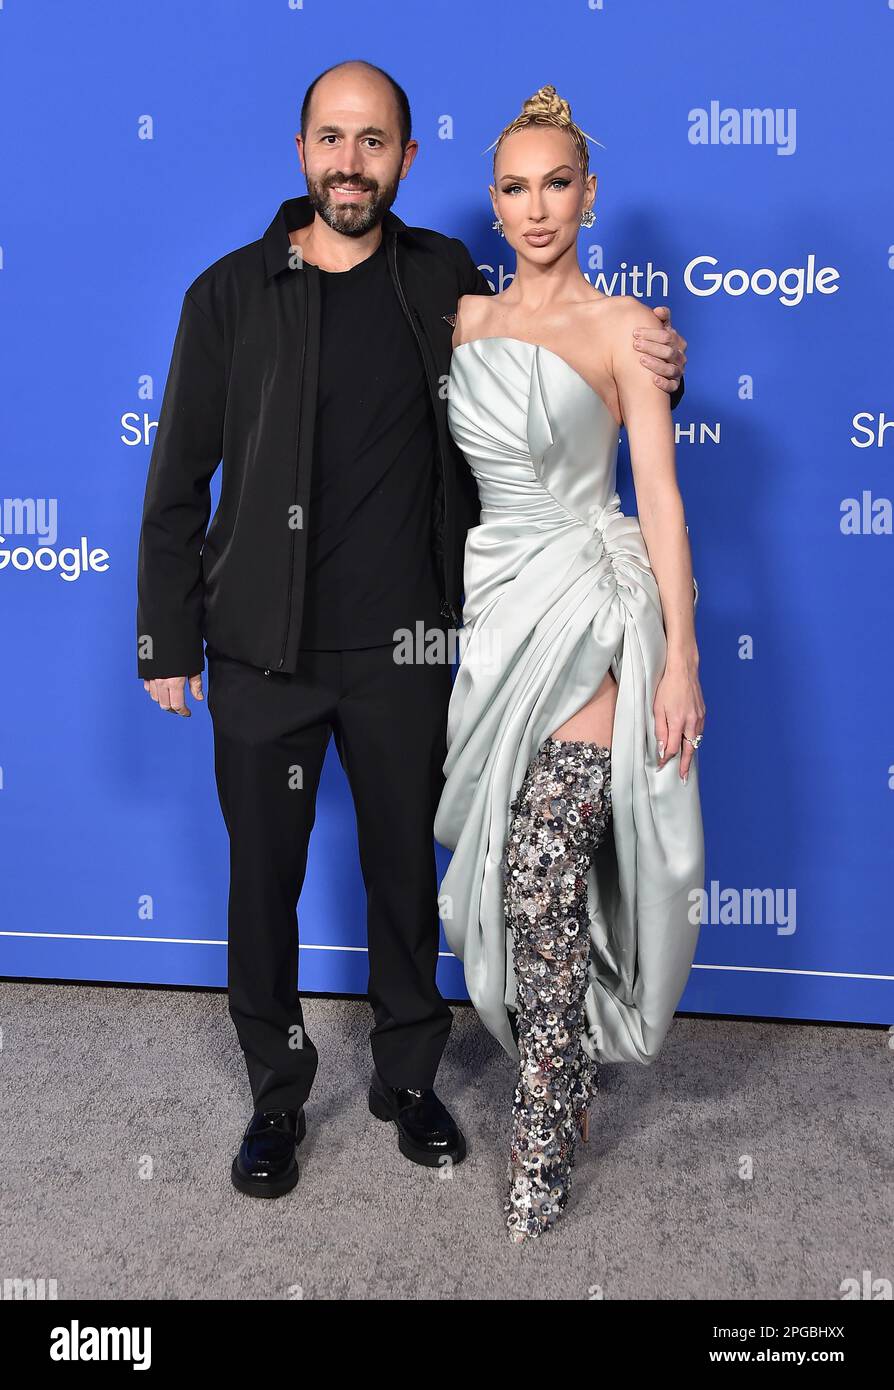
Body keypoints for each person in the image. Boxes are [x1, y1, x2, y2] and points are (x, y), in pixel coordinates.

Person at [136, 61, 689, 1200]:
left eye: (375, 142)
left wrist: (660, 369)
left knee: (403, 875)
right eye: (333, 140)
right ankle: (277, 1098)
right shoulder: (227, 296)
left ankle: (408, 1078)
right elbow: (178, 480)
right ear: (302, 154)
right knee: (262, 885)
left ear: (407, 159)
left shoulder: (446, 279)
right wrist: (167, 640)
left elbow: (551, 362)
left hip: (415, 653)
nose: (352, 161)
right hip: (260, 651)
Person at [434, 85, 706, 1243]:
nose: (536, 206)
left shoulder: (626, 333)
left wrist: (681, 658)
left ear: (589, 196)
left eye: (557, 183)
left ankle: (541, 1138)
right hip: (495, 613)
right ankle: (567, 1061)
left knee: (547, 879)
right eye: (515, 186)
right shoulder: (462, 323)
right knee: (508, 888)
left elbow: (662, 502)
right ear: (494, 206)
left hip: (591, 614)